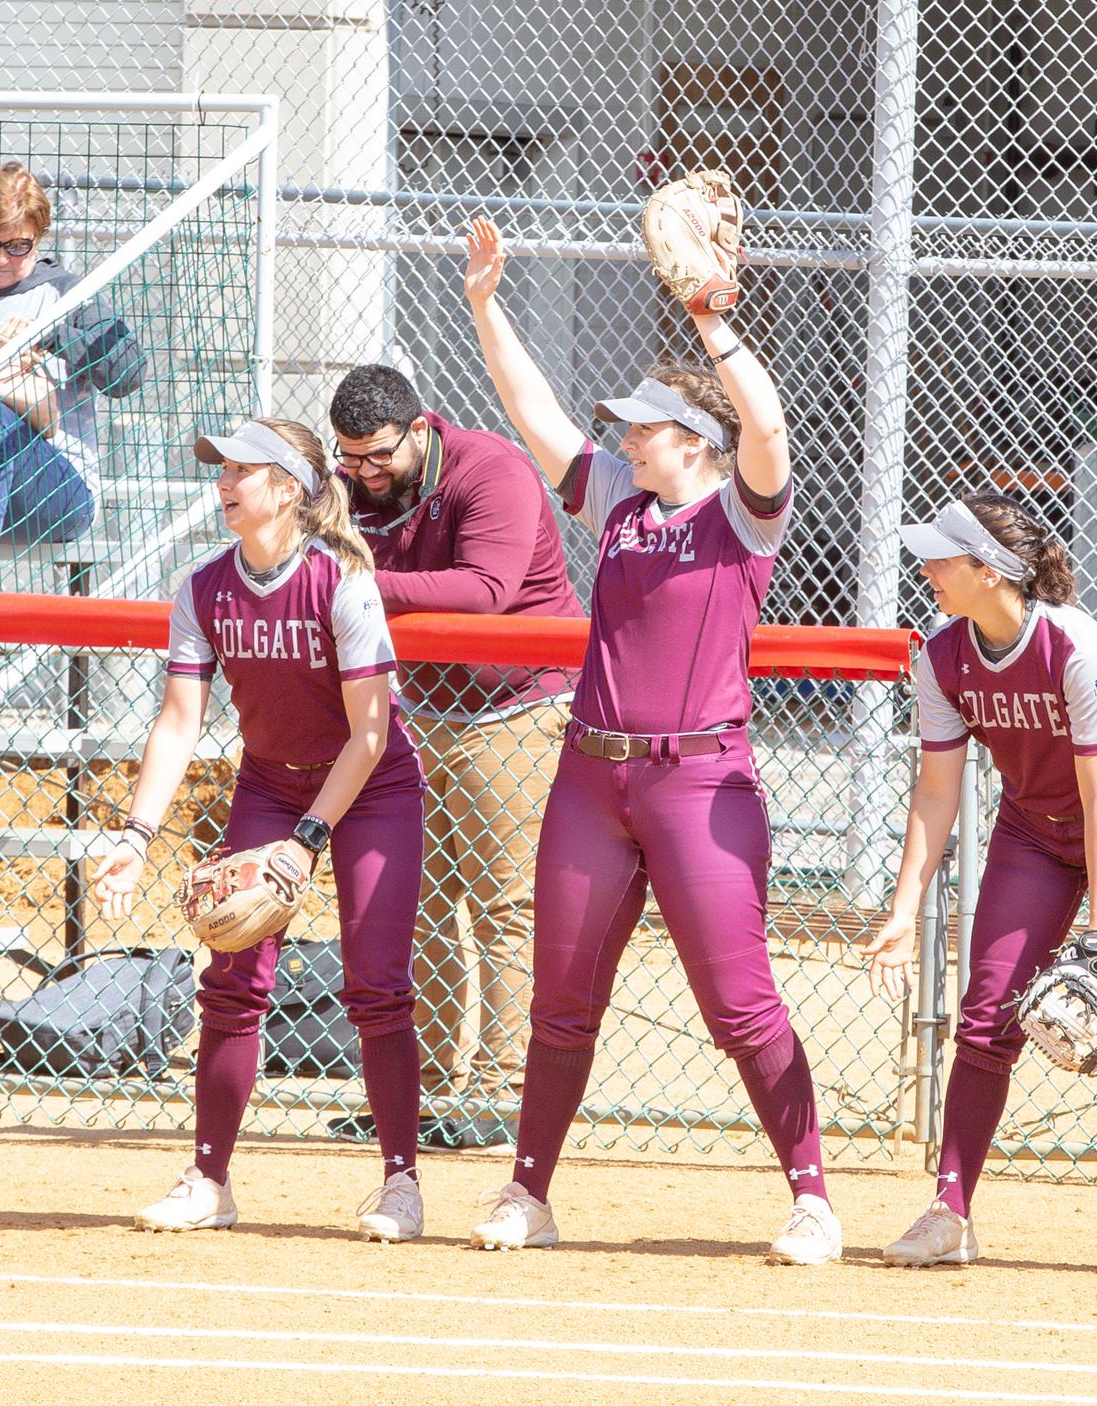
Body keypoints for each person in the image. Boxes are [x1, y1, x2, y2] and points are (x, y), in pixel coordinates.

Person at [458, 216, 839, 1264]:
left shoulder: (740, 516)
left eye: (646, 429)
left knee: (738, 1002)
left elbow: (768, 427)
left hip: (699, 781)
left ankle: (811, 1197)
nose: (627, 440)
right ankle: (529, 1191)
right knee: (562, 1001)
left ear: (695, 443)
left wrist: (713, 322)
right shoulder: (625, 506)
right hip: (592, 776)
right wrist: (486, 305)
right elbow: (534, 417)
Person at [85, 419, 428, 1243]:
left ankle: (401, 1183)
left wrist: (303, 843)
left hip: (371, 788)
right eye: (224, 469)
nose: (224, 483)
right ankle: (208, 1180)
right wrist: (135, 834)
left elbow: (369, 735)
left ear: (290, 487)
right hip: (270, 783)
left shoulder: (341, 580)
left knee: (376, 981)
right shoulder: (204, 586)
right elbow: (178, 722)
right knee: (233, 977)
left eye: (243, 470)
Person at [859, 491, 1097, 1278]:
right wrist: (904, 909)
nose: (927, 570)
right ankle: (950, 1213)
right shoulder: (942, 656)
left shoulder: (1076, 647)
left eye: (943, 559)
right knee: (986, 1015)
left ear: (991, 569)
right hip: (1032, 832)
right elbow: (936, 794)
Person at [327, 362, 583, 1150]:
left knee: (504, 904)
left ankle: (502, 1096)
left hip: (516, 707)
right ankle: (426, 1090)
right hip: (421, 708)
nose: (366, 473)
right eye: (350, 457)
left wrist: (359, 583)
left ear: (420, 428)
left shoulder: (490, 470)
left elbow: (484, 590)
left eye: (380, 455)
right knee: (421, 903)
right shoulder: (349, 483)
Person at [0, 162, 147, 578]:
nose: (1, 259)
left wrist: (52, 335)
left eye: (17, 246)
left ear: (38, 238)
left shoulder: (64, 294)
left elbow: (128, 374)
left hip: (52, 487)